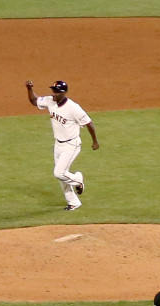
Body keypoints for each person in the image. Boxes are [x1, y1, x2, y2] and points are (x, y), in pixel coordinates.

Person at [24, 80, 97, 211]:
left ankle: (78, 180)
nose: (54, 94)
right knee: (62, 176)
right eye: (53, 90)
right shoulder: (50, 101)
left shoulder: (73, 108)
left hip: (71, 144)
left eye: (57, 92)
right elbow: (35, 101)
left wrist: (94, 141)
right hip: (58, 144)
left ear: (63, 93)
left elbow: (88, 123)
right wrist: (29, 89)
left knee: (59, 172)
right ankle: (74, 202)